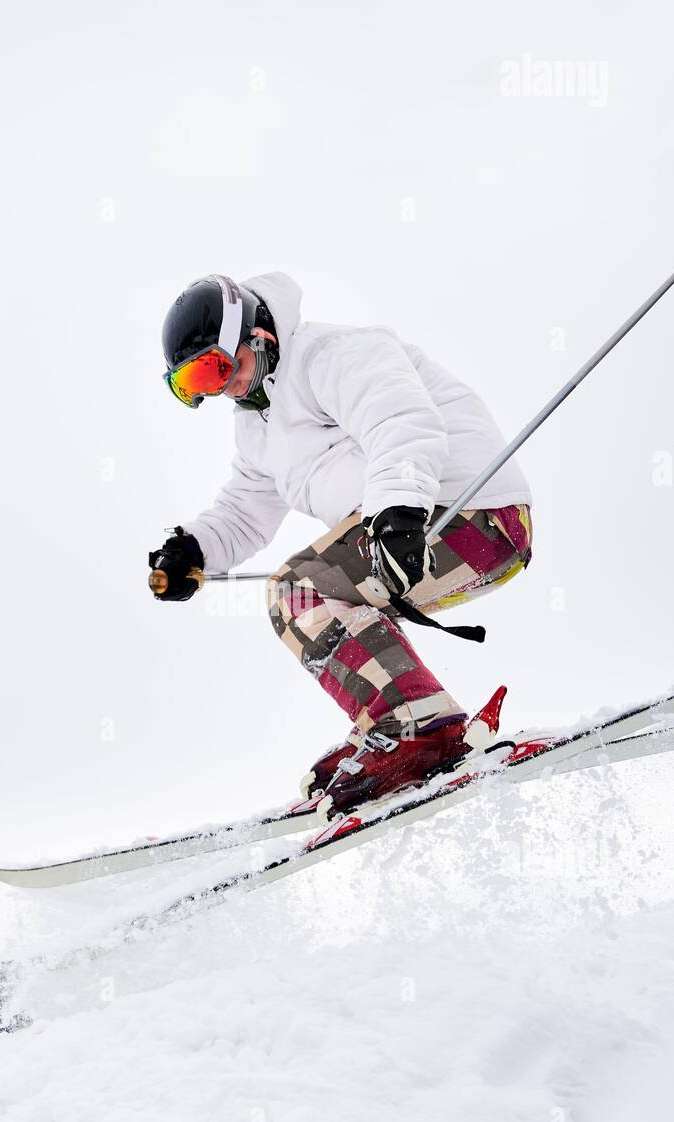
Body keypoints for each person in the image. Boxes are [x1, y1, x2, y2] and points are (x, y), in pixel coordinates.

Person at [150, 272, 532, 818]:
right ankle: (395, 721)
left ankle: (418, 723)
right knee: (317, 596)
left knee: (298, 592)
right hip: (413, 532)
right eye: (194, 386)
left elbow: (399, 419)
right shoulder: (258, 429)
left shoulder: (329, 356)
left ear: (260, 336)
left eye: (215, 367)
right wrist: (194, 550)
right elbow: (244, 510)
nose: (218, 389)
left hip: (468, 512)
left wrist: (398, 506)